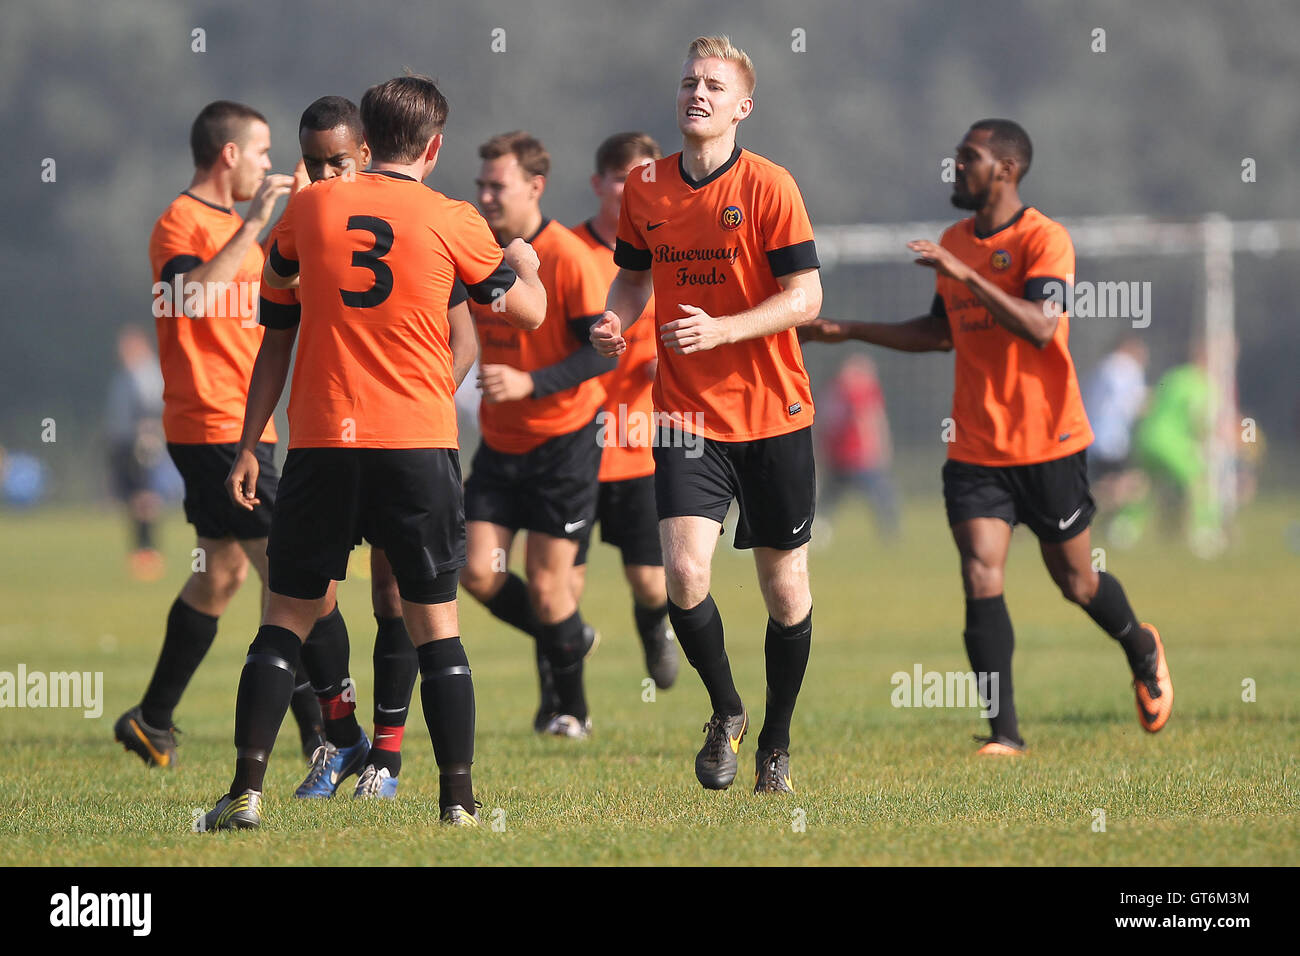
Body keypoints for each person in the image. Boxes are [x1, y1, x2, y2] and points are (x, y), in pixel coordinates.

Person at [199, 75, 545, 830]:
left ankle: (246, 794)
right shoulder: (452, 217)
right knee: (436, 626)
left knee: (284, 619)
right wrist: (528, 264)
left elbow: (275, 333)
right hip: (417, 445)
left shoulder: (306, 208)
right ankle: (457, 804)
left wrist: (253, 440)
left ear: (366, 140)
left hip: (323, 441)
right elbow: (528, 309)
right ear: (434, 145)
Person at [801, 119, 1172, 753]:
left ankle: (1141, 645)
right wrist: (849, 329)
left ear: (1006, 168)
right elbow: (941, 331)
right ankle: (1006, 734)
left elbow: (1040, 328)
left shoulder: (1043, 239)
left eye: (967, 157)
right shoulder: (953, 240)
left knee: (1077, 583)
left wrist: (968, 273)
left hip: (1050, 443)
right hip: (976, 448)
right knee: (980, 572)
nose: (956, 166)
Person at [594, 36, 823, 794]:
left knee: (785, 591)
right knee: (684, 574)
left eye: (714, 85)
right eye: (690, 81)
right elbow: (632, 282)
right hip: (686, 415)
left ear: (742, 107)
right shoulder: (645, 186)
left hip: (775, 414)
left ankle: (777, 748)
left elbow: (806, 298)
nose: (698, 93)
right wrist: (612, 320)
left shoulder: (769, 186)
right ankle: (727, 711)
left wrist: (724, 329)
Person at [253, 95, 478, 800]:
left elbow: (464, 334)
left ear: (366, 154)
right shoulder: (315, 222)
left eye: (337, 161)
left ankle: (385, 756)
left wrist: (418, 398)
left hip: (400, 437)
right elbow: (279, 336)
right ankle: (341, 735)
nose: (324, 173)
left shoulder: (410, 221)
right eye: (313, 163)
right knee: (309, 596)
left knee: (393, 592)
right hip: (328, 438)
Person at [115, 101, 327, 768]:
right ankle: (325, 740)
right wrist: (257, 222)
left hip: (244, 429)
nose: (268, 165)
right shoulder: (180, 222)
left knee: (223, 575)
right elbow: (191, 299)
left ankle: (151, 720)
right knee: (294, 581)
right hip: (209, 427)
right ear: (229, 154)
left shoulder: (242, 226)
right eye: (261, 152)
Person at [459, 131, 611, 739]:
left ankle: (571, 710)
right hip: (499, 449)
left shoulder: (568, 256)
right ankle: (574, 637)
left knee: (550, 591)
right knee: (476, 574)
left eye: (498, 185)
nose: (486, 196)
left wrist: (530, 383)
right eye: (481, 185)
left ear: (534, 187)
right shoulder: (475, 251)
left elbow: (602, 356)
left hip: (563, 446)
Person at [570, 131, 678, 691]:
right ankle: (564, 704)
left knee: (650, 583)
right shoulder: (569, 251)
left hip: (638, 445)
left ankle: (655, 631)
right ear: (599, 184)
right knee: (559, 586)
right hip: (575, 445)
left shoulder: (678, 251)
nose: (634, 187)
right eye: (622, 176)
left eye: (645, 175)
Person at [104, 324, 174, 581]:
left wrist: (148, 436)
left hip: (141, 444)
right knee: (132, 498)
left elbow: (154, 406)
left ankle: (150, 550)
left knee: (146, 497)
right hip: (122, 443)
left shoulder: (146, 373)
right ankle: (139, 551)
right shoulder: (124, 374)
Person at [816, 354, 900, 541]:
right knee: (882, 496)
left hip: (837, 457)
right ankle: (890, 534)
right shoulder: (857, 391)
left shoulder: (830, 390)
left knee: (827, 500)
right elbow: (869, 419)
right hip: (858, 456)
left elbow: (821, 426)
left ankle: (817, 533)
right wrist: (878, 448)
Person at [1081, 335, 1149, 542]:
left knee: (1107, 484)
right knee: (1131, 484)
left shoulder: (1101, 368)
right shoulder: (1127, 368)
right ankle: (1116, 526)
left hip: (1094, 435)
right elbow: (1134, 404)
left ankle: (1086, 516)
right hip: (1114, 438)